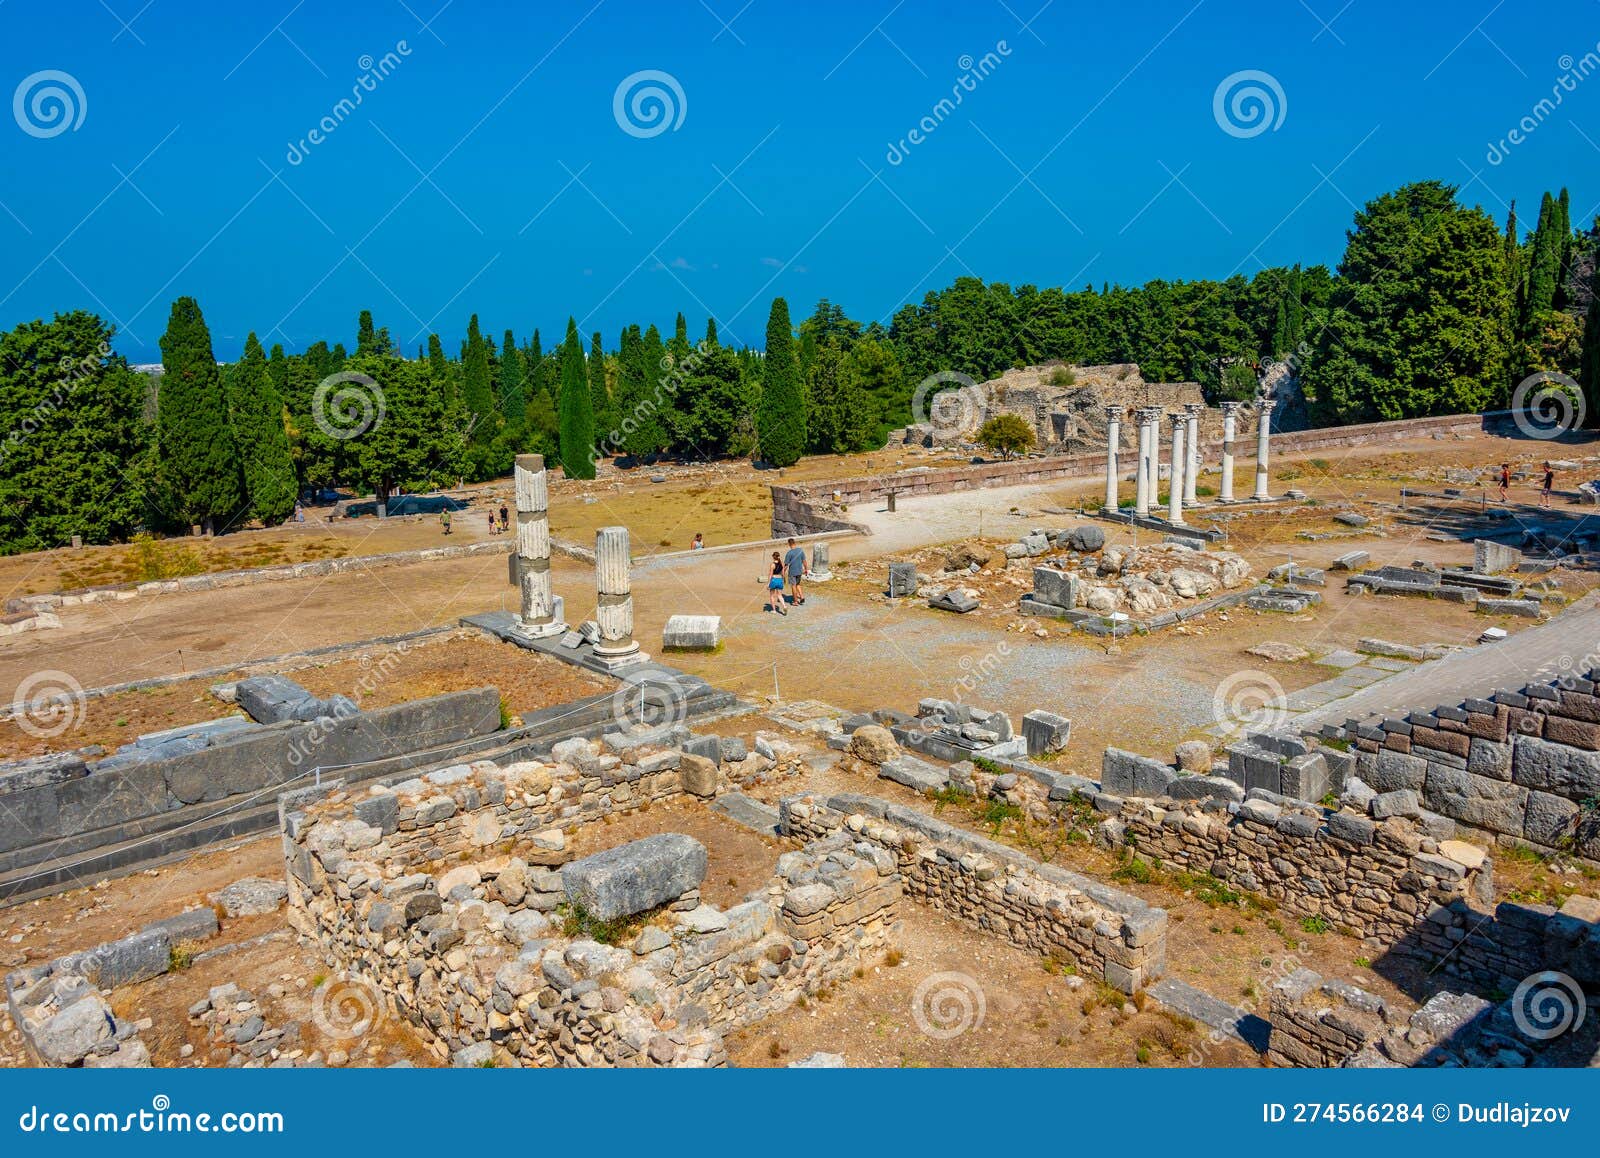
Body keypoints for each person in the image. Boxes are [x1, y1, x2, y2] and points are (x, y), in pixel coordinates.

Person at [783, 536, 809, 605]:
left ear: (789, 544)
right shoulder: (800, 551)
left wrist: (783, 572)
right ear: (794, 543)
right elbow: (804, 561)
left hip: (792, 572)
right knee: (798, 584)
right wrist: (806, 569)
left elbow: (786, 565)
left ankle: (795, 601)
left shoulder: (789, 553)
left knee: (793, 586)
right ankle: (802, 597)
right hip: (799, 571)